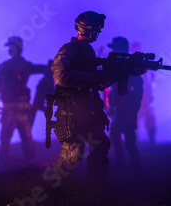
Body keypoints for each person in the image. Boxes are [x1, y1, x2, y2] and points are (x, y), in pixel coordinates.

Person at [46, 11, 140, 185]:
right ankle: (54, 185)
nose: (98, 33)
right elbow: (61, 77)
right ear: (86, 29)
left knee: (100, 144)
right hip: (71, 109)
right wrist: (94, 78)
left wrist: (117, 73)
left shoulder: (88, 51)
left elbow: (97, 84)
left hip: (88, 108)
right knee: (73, 151)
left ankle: (96, 183)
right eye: (96, 29)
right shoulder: (68, 50)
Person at [0, 36, 41, 164]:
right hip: (24, 108)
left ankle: (5, 164)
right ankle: (30, 163)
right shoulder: (26, 66)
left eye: (10, 47)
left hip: (11, 108)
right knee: (27, 138)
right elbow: (42, 69)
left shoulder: (5, 67)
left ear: (14, 48)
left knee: (6, 138)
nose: (9, 50)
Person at [104, 37, 144, 171]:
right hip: (118, 107)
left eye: (116, 48)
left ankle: (136, 166)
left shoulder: (130, 67)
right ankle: (121, 163)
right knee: (115, 137)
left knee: (129, 140)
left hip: (127, 108)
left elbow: (138, 91)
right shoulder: (117, 66)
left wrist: (132, 110)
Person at [131, 41, 157, 145]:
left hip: (146, 98)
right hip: (135, 99)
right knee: (135, 122)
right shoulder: (130, 64)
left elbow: (152, 82)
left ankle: (152, 142)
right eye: (135, 49)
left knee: (150, 121)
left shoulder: (146, 64)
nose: (137, 51)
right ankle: (134, 142)